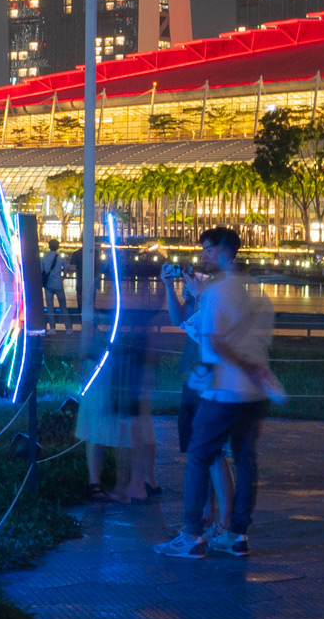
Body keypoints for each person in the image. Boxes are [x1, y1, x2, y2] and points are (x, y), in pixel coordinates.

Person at [154, 227, 284, 559]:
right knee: (245, 461)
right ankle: (237, 534)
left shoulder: (216, 292)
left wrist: (244, 366)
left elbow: (210, 341)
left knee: (198, 456)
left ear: (225, 253)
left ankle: (192, 535)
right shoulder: (259, 292)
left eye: (209, 252)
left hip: (223, 389)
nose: (203, 258)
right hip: (255, 395)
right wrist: (256, 369)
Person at [79, 294, 157, 502]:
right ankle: (134, 483)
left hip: (120, 363)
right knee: (130, 424)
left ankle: (130, 485)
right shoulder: (132, 292)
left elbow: (89, 328)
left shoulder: (104, 290)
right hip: (125, 360)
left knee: (126, 425)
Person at [41, 237, 65, 321]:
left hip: (48, 284)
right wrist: (63, 277)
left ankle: (52, 327)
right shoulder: (60, 258)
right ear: (58, 247)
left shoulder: (44, 258)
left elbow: (41, 270)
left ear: (49, 246)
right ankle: (68, 327)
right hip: (58, 284)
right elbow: (66, 268)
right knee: (63, 306)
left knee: (50, 307)